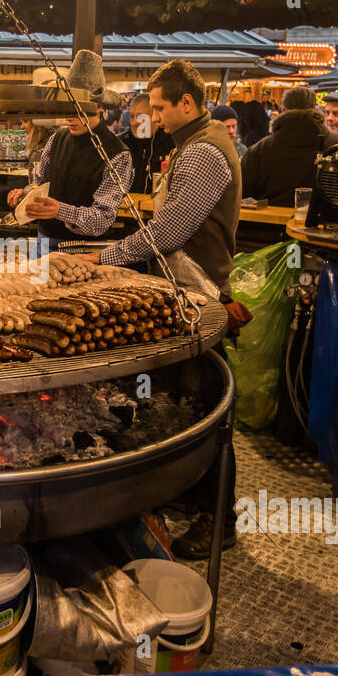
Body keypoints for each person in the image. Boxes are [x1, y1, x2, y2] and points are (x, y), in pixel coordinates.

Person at [75, 59, 251, 556]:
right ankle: (187, 494)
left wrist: (107, 255)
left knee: (202, 410)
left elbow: (172, 232)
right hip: (185, 291)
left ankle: (219, 518)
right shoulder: (197, 144)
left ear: (186, 104)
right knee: (183, 401)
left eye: (158, 108)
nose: (151, 117)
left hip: (197, 293)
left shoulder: (201, 153)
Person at [4, 50, 133, 250]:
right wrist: (26, 194)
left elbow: (102, 219)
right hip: (44, 241)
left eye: (78, 109)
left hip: (85, 250)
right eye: (66, 108)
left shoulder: (118, 154)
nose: (69, 117)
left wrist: (59, 210)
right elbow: (40, 184)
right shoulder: (56, 139)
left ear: (99, 106)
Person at [240, 85, 338, 206]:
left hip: (270, 221)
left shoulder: (260, 149)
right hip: (324, 221)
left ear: (283, 110)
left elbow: (244, 193)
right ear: (315, 109)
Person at [119, 91, 171, 193]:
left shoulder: (170, 145)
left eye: (140, 117)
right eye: (131, 116)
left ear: (154, 117)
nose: (134, 123)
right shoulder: (121, 145)